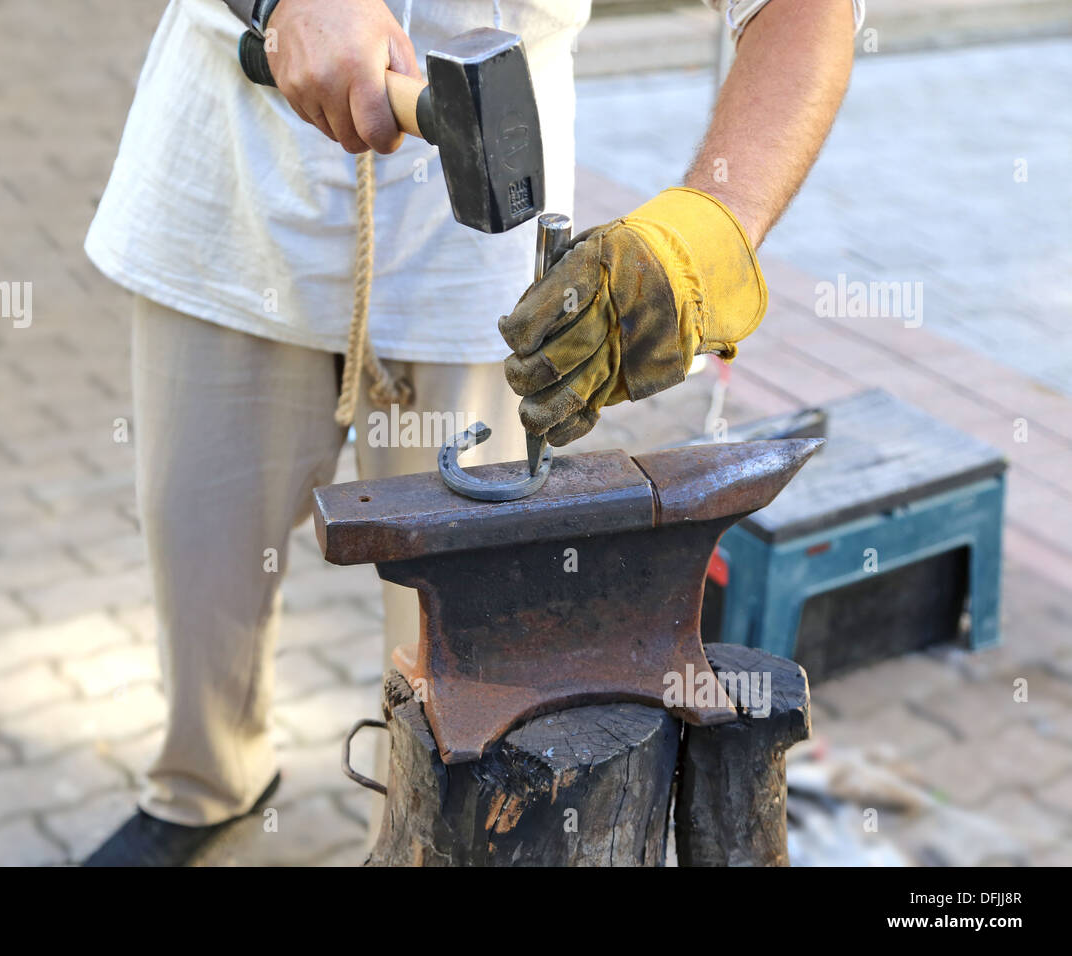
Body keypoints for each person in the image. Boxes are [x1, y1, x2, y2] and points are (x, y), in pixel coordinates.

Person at [82, 0, 864, 866]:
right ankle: (203, 789)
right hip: (224, 205)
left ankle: (414, 834)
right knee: (198, 561)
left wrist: (710, 230)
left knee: (452, 651)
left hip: (472, 279)